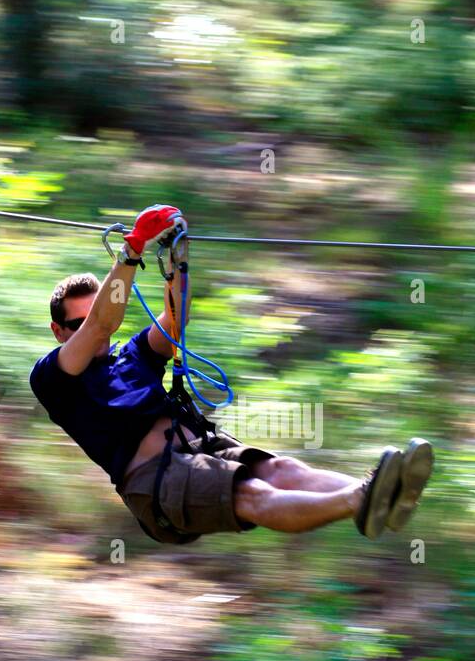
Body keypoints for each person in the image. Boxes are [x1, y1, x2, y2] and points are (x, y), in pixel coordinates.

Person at [29, 205, 433, 545]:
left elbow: (173, 321)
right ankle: (362, 499)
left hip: (199, 446)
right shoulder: (53, 377)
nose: (87, 328)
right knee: (254, 495)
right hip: (156, 480)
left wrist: (177, 261)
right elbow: (101, 325)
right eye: (76, 323)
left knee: (283, 471)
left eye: (89, 314)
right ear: (59, 331)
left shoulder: (130, 356)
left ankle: (381, 494)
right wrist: (132, 248)